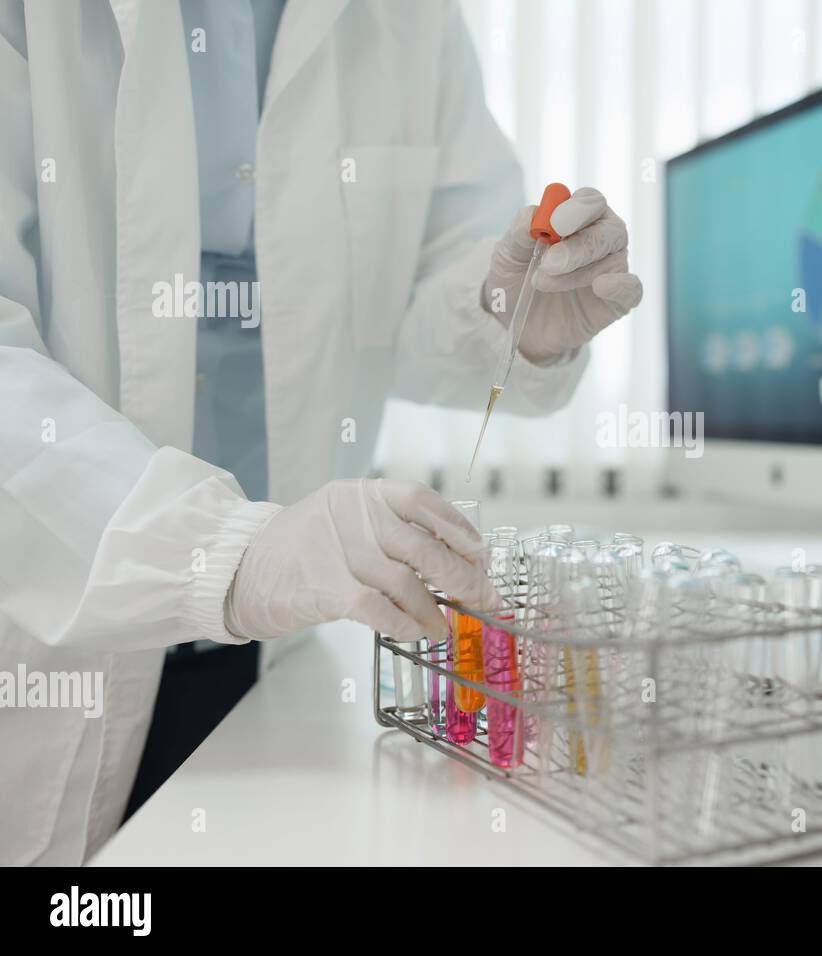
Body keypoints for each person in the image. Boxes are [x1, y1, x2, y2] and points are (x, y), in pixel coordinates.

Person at [0, 0, 641, 865]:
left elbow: (418, 282)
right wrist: (229, 553)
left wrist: (510, 313)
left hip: (278, 650)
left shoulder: (408, 22)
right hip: (46, 639)